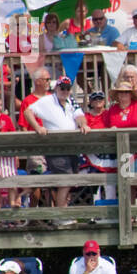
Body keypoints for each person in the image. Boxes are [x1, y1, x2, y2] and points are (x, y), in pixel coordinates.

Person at [28, 76, 89, 208]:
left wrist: (83, 125)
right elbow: (28, 112)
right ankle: (61, 215)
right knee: (66, 181)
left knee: (70, 181)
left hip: (72, 147)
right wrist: (38, 127)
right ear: (56, 88)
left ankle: (63, 211)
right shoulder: (47, 100)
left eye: (68, 88)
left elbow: (80, 116)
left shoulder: (70, 100)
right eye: (62, 88)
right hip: (55, 147)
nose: (65, 91)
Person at [104, 79, 137, 206]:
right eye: (121, 93)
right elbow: (106, 126)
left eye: (127, 93)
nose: (123, 95)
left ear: (131, 94)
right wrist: (111, 130)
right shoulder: (112, 109)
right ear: (117, 95)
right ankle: (130, 216)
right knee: (127, 184)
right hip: (124, 151)